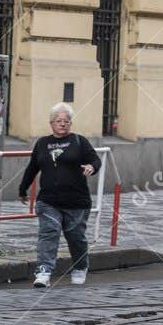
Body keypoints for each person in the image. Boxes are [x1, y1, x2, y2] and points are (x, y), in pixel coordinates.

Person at [18, 102, 100, 288]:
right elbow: (33, 167)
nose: (62, 124)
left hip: (76, 201)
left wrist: (91, 167)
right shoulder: (42, 143)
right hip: (49, 201)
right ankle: (43, 272)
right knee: (49, 233)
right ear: (51, 123)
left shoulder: (79, 141)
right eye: (58, 120)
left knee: (76, 238)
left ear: (71, 123)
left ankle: (80, 267)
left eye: (66, 121)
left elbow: (95, 159)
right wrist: (23, 188)